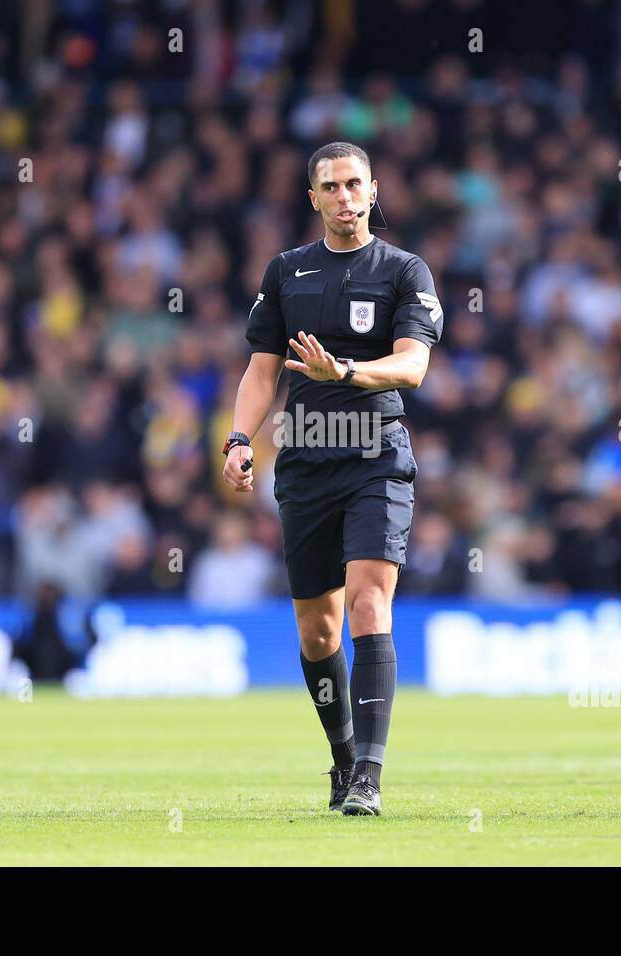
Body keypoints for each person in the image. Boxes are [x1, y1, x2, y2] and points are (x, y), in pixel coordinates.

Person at [222, 142, 443, 815]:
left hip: (377, 456)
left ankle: (371, 777)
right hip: (307, 462)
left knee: (369, 607)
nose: (345, 198)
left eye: (355, 185)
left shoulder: (404, 270)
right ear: (312, 198)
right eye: (331, 188)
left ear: (374, 190)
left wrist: (344, 372)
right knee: (318, 633)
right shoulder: (287, 273)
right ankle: (343, 761)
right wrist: (239, 437)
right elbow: (262, 372)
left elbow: (411, 368)